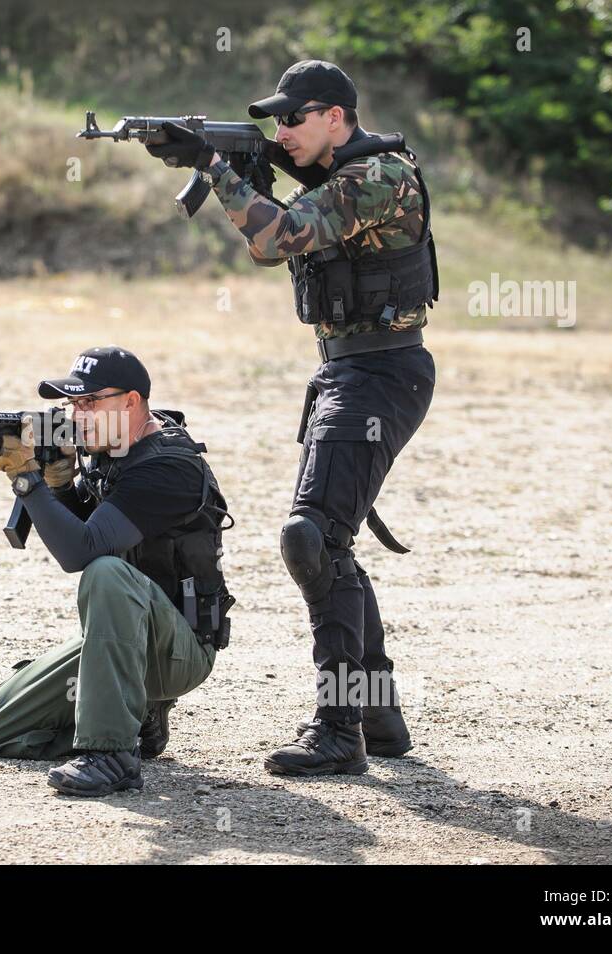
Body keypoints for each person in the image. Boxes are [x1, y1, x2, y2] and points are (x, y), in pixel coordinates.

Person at [146, 60, 437, 776]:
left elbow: (275, 237)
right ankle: (376, 714)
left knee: (311, 539)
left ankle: (340, 732)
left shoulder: (377, 178)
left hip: (381, 372)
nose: (283, 131)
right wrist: (234, 164)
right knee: (330, 539)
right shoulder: (337, 177)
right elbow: (268, 239)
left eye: (294, 119)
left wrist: (219, 166)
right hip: (350, 371)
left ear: (335, 117)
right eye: (275, 122)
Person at [0, 346, 234, 796]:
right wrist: (60, 482)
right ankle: (133, 713)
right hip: (120, 644)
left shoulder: (169, 467)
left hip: (179, 653)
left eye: (91, 402)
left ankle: (110, 754)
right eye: (74, 404)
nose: (79, 414)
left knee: (105, 573)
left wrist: (28, 479)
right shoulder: (109, 450)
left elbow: (82, 552)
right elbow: (89, 530)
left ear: (131, 402)